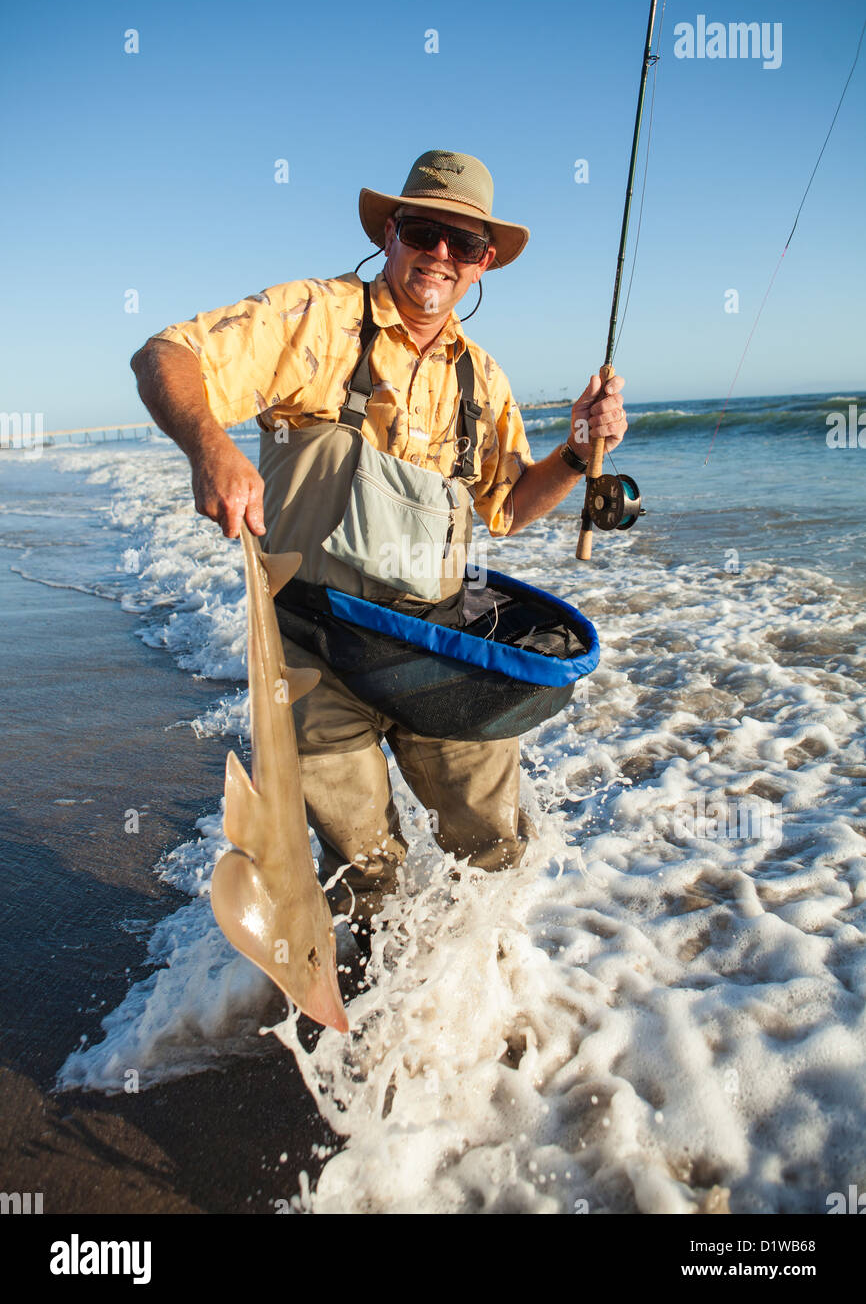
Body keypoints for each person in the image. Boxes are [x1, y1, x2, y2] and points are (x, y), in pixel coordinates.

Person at [131, 149, 627, 951]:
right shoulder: (316, 318)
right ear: (390, 233)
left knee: (494, 841)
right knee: (362, 866)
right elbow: (165, 354)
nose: (440, 255)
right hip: (313, 647)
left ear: (483, 262)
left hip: (436, 642)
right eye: (424, 231)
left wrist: (574, 453)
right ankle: (372, 997)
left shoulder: (484, 380)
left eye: (462, 244)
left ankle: (479, 989)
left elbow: (506, 508)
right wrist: (210, 451)